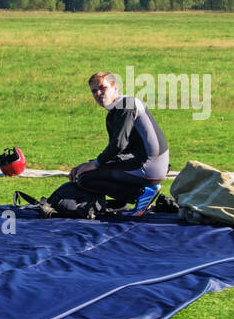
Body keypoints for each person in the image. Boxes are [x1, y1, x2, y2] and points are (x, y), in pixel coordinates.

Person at [70, 71, 170, 215]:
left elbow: (118, 145)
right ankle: (132, 198)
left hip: (150, 167)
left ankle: (140, 194)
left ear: (115, 88)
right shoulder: (115, 112)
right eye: (94, 91)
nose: (98, 93)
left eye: (102, 88)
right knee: (87, 172)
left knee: (86, 178)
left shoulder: (126, 105)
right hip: (148, 164)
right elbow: (120, 151)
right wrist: (88, 164)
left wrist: (94, 164)